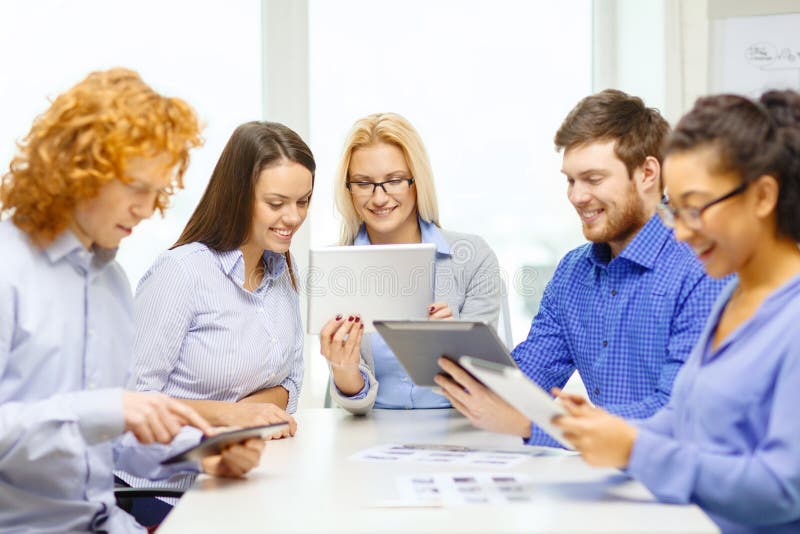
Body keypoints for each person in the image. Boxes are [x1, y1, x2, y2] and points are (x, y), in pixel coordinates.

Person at [0, 68, 265, 533]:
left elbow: (113, 439)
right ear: (76, 170)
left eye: (157, 192)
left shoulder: (112, 283)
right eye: (136, 188)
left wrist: (200, 452)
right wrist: (105, 410)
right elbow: (100, 417)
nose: (146, 210)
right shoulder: (9, 269)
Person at [550, 90, 800, 534]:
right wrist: (604, 428)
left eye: (696, 209)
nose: (680, 233)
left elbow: (783, 490)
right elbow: (686, 417)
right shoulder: (734, 296)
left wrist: (635, 450)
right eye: (675, 211)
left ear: (763, 196)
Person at [436, 89, 726, 446]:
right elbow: (527, 379)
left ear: (648, 173)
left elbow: (678, 415)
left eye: (593, 179)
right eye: (570, 180)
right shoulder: (573, 273)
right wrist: (458, 347)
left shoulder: (704, 268)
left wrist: (532, 425)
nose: (576, 196)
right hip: (605, 470)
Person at [116, 121, 311, 517]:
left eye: (303, 201)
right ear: (239, 197)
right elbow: (132, 401)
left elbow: (291, 381)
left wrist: (251, 415)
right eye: (276, 204)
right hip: (165, 492)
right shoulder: (181, 273)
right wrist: (232, 415)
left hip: (241, 480)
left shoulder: (280, 271)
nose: (293, 217)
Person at [319, 112, 503, 413]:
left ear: (417, 182)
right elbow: (353, 402)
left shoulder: (472, 256)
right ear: (348, 189)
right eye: (363, 183)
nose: (379, 198)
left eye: (394, 181)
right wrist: (344, 370)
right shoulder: (336, 268)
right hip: (369, 427)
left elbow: (485, 381)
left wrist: (453, 347)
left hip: (458, 426)